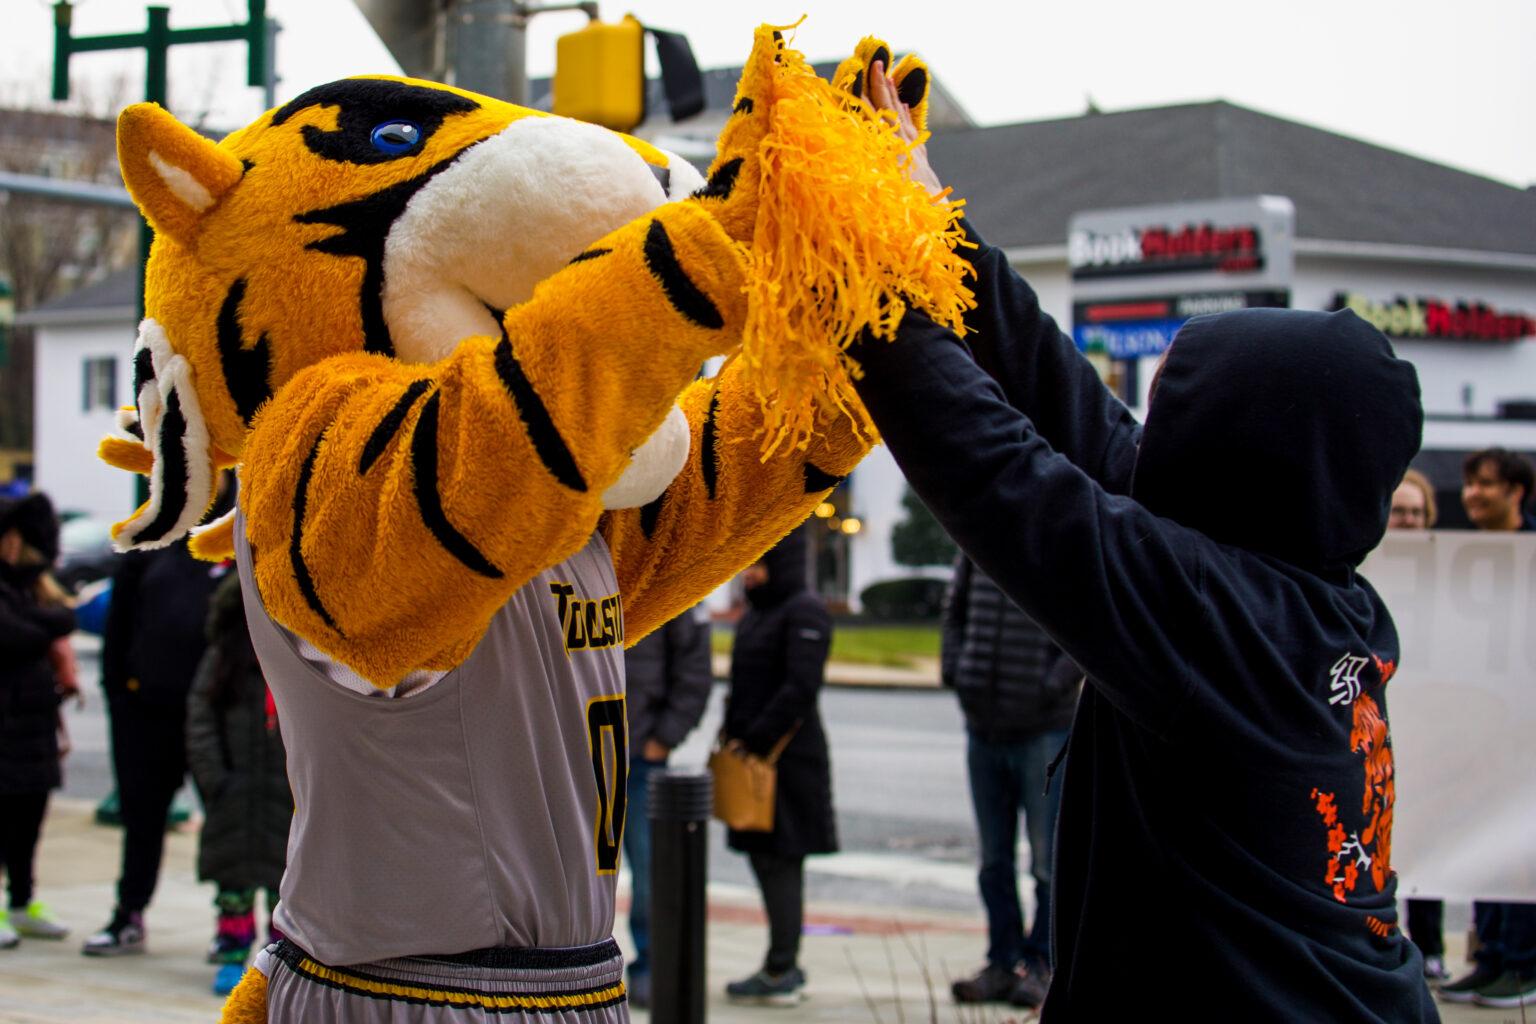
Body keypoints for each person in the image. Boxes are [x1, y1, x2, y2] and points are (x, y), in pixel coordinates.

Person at [840, 65, 1438, 1022]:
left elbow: (998, 472)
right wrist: (931, 224)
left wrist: (842, 261)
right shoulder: (1312, 596)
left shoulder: (1220, 620)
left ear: (1245, 458)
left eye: (1180, 420)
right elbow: (1074, 411)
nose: (1147, 437)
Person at [83, 533, 231, 956]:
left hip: (214, 714)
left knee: (227, 820)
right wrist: (119, 695)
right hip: (145, 711)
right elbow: (118, 630)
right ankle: (128, 914)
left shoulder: (232, 544)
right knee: (142, 820)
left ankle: (232, 927)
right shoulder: (148, 548)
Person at [941, 555, 1078, 1008]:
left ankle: (1042, 965)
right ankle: (1001, 963)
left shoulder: (1059, 538)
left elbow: (1088, 624)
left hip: (1043, 728)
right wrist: (956, 670)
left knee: (1047, 862)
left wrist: (1052, 685)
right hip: (983, 724)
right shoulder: (975, 544)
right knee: (993, 861)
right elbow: (955, 610)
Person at [1436, 448, 1536, 1008]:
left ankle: (1523, 964)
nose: (1472, 494)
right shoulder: (1460, 557)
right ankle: (1493, 957)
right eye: (1470, 483)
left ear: (1516, 492)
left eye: (1486, 484)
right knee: (1484, 837)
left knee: (1519, 844)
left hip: (1525, 725)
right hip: (1485, 725)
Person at [721, 528, 836, 1006]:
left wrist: (755, 737)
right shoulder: (758, 611)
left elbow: (800, 687)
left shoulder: (804, 611)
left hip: (788, 765)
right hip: (755, 761)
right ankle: (781, 963)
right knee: (765, 860)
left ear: (781, 563)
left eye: (759, 563)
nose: (750, 573)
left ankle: (782, 967)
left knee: (781, 862)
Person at [185, 574, 293, 996]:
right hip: (235, 790)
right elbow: (201, 718)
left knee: (286, 886)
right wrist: (214, 779)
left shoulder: (298, 655)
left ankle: (279, 964)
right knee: (233, 881)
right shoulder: (224, 656)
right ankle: (232, 953)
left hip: (288, 795)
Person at [620, 605, 713, 1008]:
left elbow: (695, 672)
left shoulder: (668, 584)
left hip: (641, 755)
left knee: (649, 875)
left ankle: (650, 966)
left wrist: (664, 738)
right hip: (577, 754)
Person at [0, 492, 75, 947]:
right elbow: (16, 636)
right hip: (7, 726)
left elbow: (59, 618)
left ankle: (22, 902)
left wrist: (45, 622)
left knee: (28, 819)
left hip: (33, 726)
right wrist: (47, 624)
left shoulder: (27, 588)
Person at [1385, 469, 1448, 982]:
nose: (1408, 521)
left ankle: (1429, 945)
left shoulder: (1447, 577)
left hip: (1432, 727)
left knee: (1433, 838)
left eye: (1416, 513)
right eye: (1399, 512)